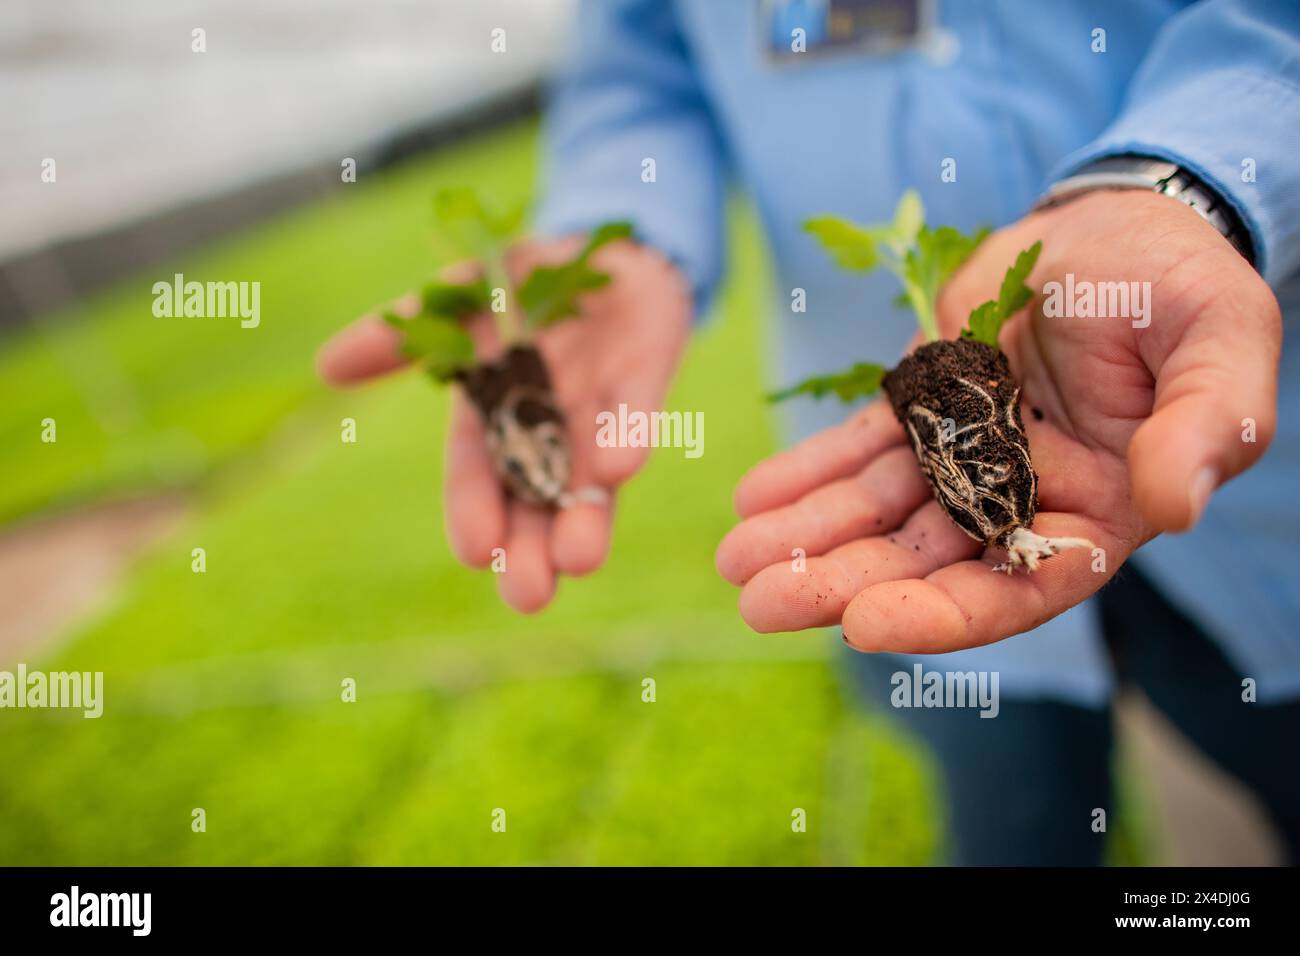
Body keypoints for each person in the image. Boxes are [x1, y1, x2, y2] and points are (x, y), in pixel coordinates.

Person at [319, 0, 1300, 864]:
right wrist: (617, 224)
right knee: (1010, 814)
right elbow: (640, 62)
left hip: (1247, 494)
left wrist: (1179, 177)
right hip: (893, 529)